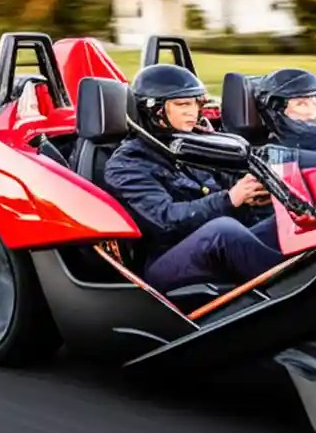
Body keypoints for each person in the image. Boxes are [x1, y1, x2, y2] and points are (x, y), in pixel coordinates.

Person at [103, 64, 284, 291]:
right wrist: (230, 199)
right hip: (163, 261)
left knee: (282, 218)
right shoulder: (126, 164)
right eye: (182, 104)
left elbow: (226, 183)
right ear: (153, 110)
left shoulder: (189, 146)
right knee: (224, 231)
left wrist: (254, 192)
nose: (193, 112)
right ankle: (292, 285)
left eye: (195, 104)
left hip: (205, 244)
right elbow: (164, 221)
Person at [253, 68, 316, 153]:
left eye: (315, 103)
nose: (313, 112)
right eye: (301, 104)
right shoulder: (270, 157)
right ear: (275, 111)